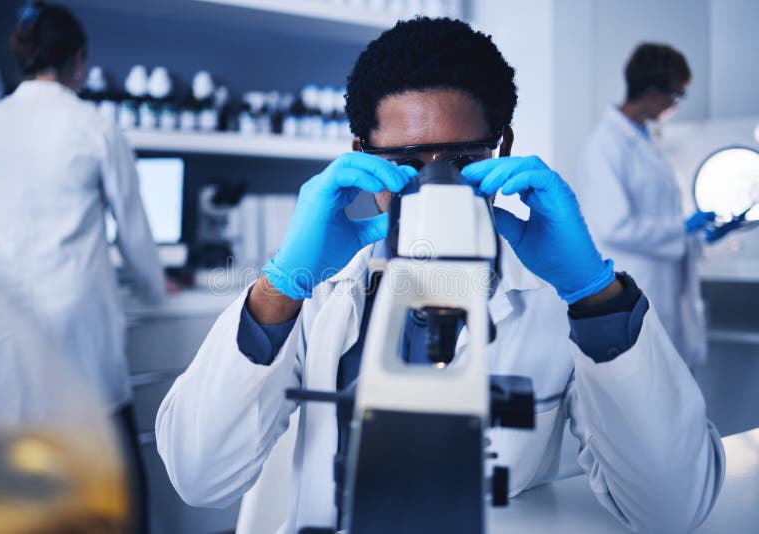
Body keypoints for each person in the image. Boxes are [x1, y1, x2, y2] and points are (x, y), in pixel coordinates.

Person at [156, 18, 724, 534]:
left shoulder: (552, 303)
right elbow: (200, 477)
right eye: (406, 165)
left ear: (503, 150)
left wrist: (594, 293)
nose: (435, 187)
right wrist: (281, 284)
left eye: (462, 161)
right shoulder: (324, 295)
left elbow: (675, 508)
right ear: (360, 155)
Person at [0, 2, 163, 531]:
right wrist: (155, 289)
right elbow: (134, 229)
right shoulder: (93, 125)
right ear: (79, 61)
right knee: (110, 470)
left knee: (11, 470)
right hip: (76, 321)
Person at [576, 43, 740, 368]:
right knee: (649, 389)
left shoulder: (649, 140)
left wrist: (703, 237)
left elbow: (663, 220)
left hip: (669, 290)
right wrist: (683, 227)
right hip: (638, 288)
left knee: (676, 392)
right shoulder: (605, 146)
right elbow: (614, 226)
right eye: (676, 95)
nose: (676, 104)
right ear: (652, 92)